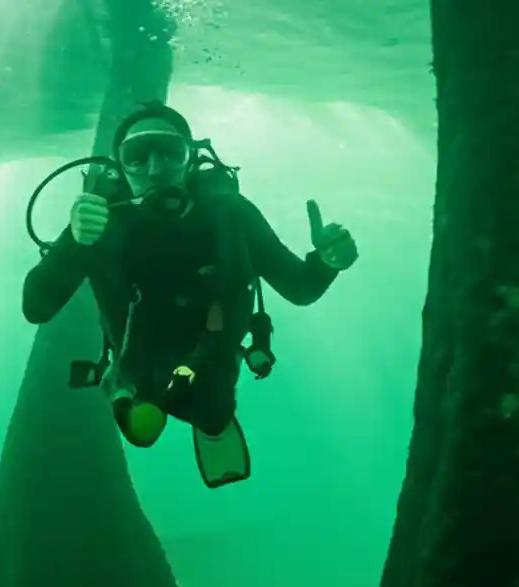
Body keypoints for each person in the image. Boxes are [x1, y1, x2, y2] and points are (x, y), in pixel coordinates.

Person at [21, 102, 358, 480]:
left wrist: (327, 262)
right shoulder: (101, 223)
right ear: (119, 166)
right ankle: (125, 389)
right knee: (141, 428)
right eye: (136, 155)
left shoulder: (231, 215)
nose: (154, 168)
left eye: (169, 151)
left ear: (191, 157)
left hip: (212, 366)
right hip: (138, 368)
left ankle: (199, 419)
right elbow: (36, 306)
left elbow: (300, 288)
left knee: (212, 415)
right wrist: (74, 243)